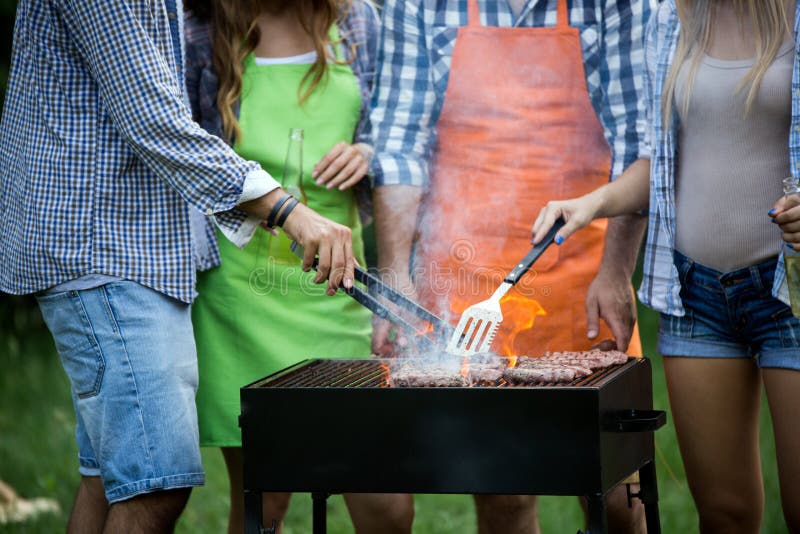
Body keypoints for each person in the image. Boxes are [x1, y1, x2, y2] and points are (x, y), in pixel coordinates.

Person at [0, 1, 356, 532]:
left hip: (134, 249)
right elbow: (153, 118)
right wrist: (286, 210)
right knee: (155, 484)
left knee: (109, 480)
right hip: (104, 245)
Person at [369, 0, 653, 532]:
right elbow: (399, 144)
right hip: (468, 284)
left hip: (586, 276)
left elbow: (638, 144)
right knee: (504, 492)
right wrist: (395, 275)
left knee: (619, 497)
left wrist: (616, 272)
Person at [533, 0, 800, 531]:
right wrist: (591, 203)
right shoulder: (668, 18)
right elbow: (662, 159)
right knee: (723, 515)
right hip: (694, 296)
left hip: (790, 293)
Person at [183, 0, 414, 532]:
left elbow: (397, 135)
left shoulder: (359, 22)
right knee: (264, 500)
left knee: (387, 502)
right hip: (242, 296)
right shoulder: (204, 27)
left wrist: (368, 152)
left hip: (340, 288)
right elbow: (185, 155)